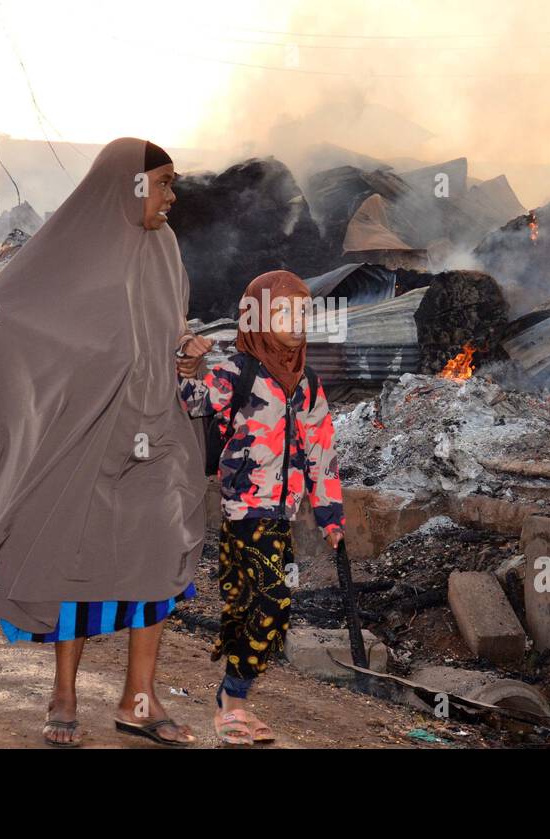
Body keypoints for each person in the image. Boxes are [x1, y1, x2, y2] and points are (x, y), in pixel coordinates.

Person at [0, 138, 208, 748]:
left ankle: (138, 702)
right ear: (129, 184)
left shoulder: (166, 247)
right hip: (91, 431)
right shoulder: (77, 249)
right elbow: (3, 312)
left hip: (157, 430)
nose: (172, 197)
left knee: (158, 559)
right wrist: (90, 364)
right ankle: (63, 696)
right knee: (76, 558)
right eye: (165, 183)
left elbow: (166, 332)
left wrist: (186, 358)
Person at [177, 270, 345, 745]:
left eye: (302, 312)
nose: (295, 322)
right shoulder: (238, 371)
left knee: (253, 603)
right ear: (256, 316)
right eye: (283, 312)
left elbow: (321, 452)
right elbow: (193, 403)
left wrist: (331, 515)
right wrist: (184, 371)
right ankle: (233, 700)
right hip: (245, 510)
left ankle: (235, 698)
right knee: (273, 599)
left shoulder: (307, 383)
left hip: (282, 513)